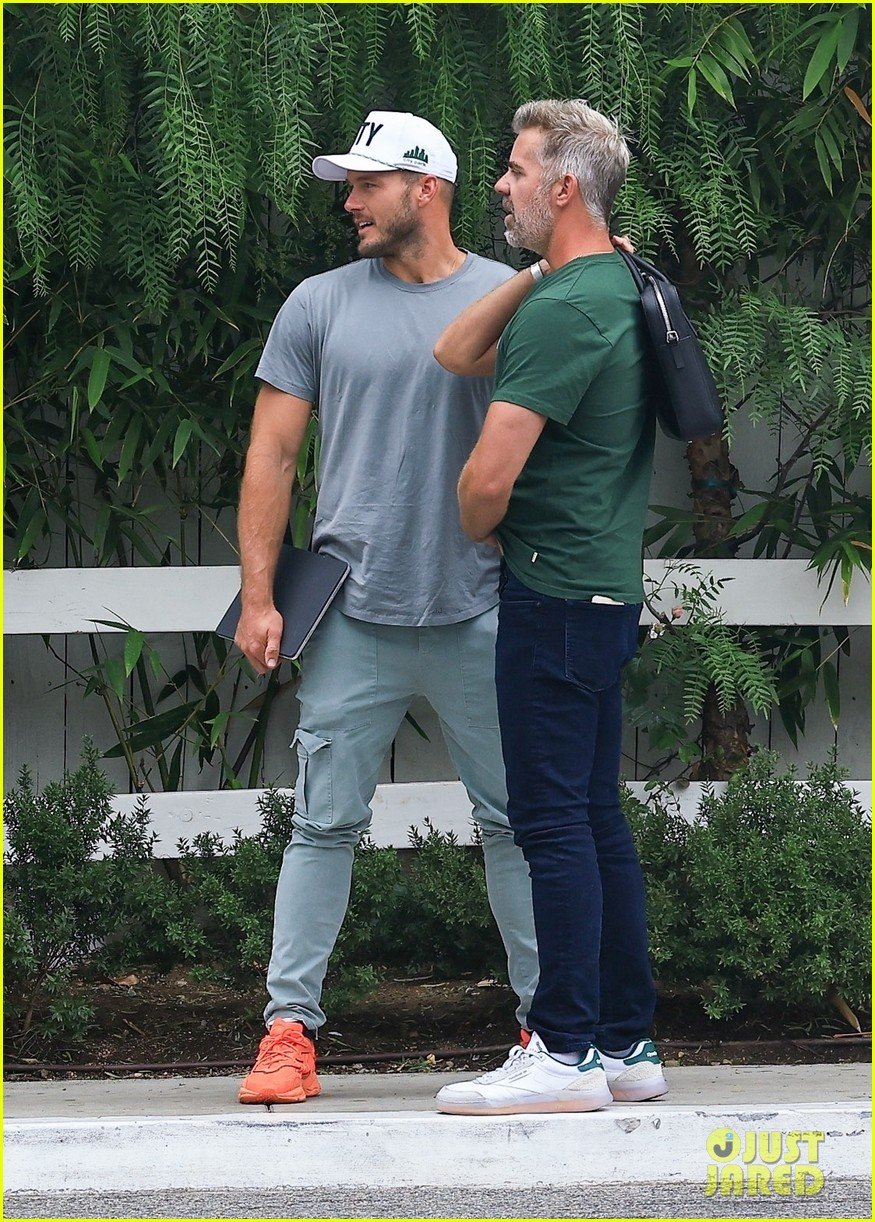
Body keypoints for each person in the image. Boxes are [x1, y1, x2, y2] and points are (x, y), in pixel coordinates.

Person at [234, 111, 541, 1105]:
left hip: (481, 609)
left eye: (366, 183)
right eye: (348, 184)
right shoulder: (317, 305)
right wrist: (256, 594)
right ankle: (287, 1032)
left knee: (515, 825)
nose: (349, 201)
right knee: (322, 824)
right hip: (351, 616)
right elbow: (271, 455)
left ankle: (551, 1025)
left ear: (427, 189)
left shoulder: (508, 298)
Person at [433, 99, 668, 1116]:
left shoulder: (568, 312)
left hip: (552, 591)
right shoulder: (602, 285)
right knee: (591, 818)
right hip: (600, 589)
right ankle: (622, 1042)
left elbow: (485, 485)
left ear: (562, 187)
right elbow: (454, 351)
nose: (499, 185)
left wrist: (476, 517)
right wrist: (540, 266)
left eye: (517, 169)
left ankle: (563, 1049)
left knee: (547, 822)